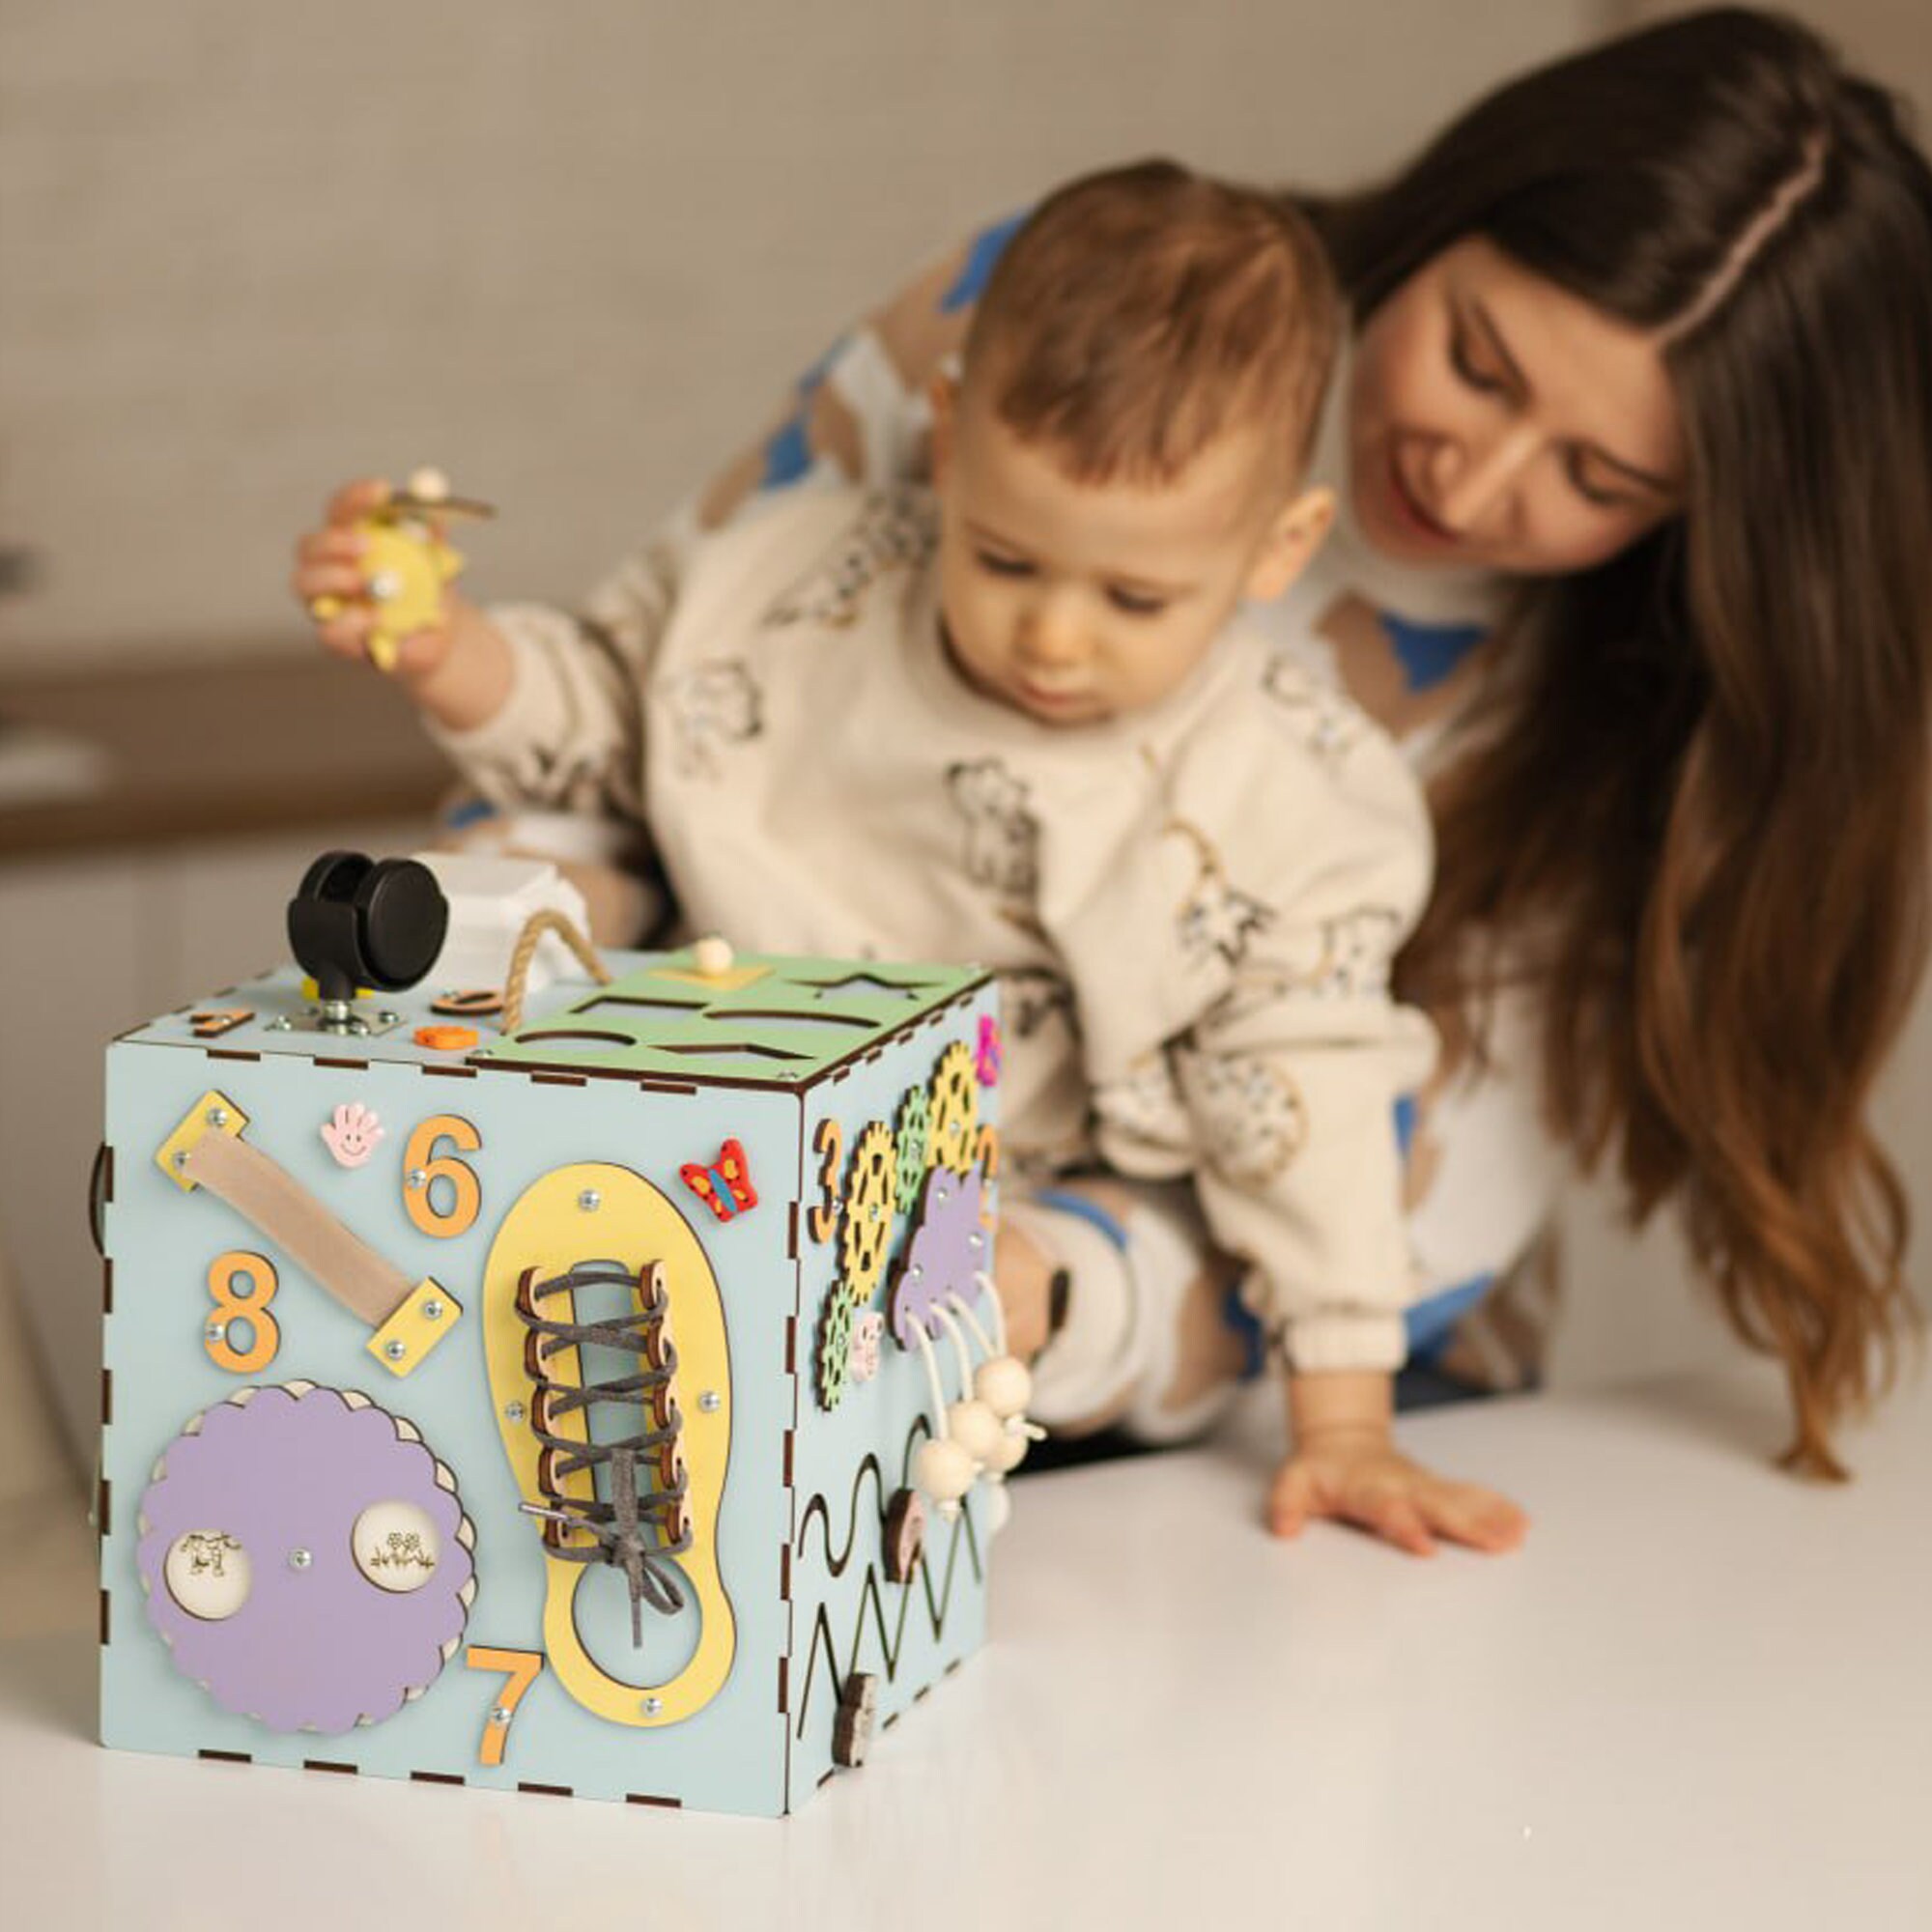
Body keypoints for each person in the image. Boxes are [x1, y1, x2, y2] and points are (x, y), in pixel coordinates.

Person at [297, 7, 1932, 1549]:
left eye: (1598, 474)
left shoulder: (1413, 761)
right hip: (742, 1203)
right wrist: (499, 1036)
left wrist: (1047, 1288)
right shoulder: (1047, 318)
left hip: (1258, 1398)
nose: (1472, 472)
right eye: (1480, 362)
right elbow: (645, 720)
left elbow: (1349, 1132)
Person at [293, 159, 1532, 1551]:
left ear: (1277, 548)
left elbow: (1305, 1113)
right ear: (945, 445)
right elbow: (598, 721)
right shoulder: (789, 587)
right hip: (704, 1146)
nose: (1054, 638)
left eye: (1134, 596)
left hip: (997, 1237)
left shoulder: (1294, 797)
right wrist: (447, 651)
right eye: (1005, 559)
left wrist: (1348, 1428)